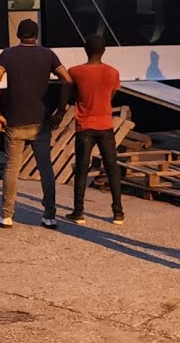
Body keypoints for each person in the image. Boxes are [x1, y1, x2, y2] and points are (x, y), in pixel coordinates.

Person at [0, 19, 73, 228]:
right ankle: (49, 215)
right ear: (37, 34)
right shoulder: (48, 54)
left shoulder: (8, 54)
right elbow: (68, 79)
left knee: (11, 168)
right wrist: (61, 110)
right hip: (41, 121)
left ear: (18, 34)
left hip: (15, 121)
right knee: (46, 168)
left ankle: (7, 215)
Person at [63, 35, 125, 226]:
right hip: (105, 124)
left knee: (81, 168)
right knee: (112, 167)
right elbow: (111, 95)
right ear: (104, 50)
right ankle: (118, 213)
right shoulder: (113, 72)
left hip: (84, 126)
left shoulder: (74, 72)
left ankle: (78, 212)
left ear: (85, 49)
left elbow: (71, 95)